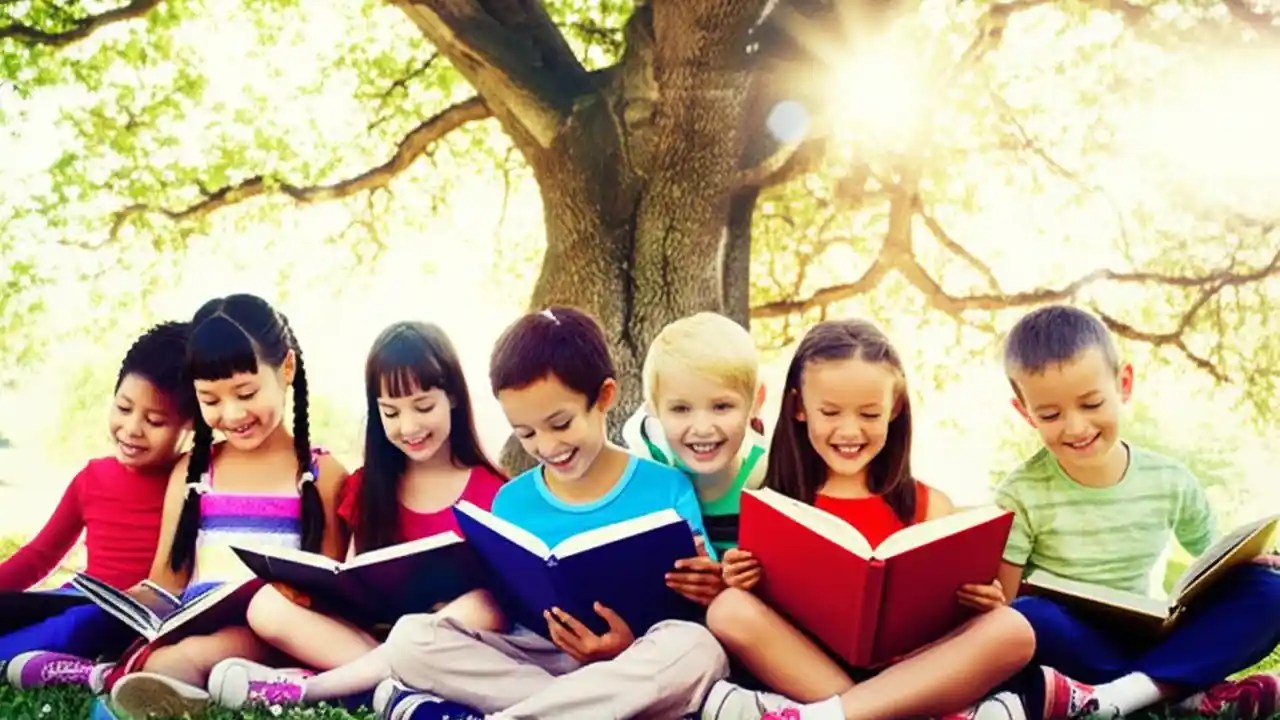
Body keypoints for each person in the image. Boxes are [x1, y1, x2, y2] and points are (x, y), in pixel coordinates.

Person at [371, 305, 730, 720]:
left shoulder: (666, 487)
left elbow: (700, 605)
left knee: (697, 649)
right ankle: (587, 709)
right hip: (544, 658)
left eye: (560, 424)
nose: (546, 446)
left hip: (638, 656)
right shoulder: (511, 501)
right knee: (410, 640)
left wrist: (706, 587)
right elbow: (505, 607)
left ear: (605, 397)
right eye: (525, 433)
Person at [702, 318, 1036, 720]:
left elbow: (957, 619)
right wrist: (742, 578)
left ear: (894, 409)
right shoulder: (772, 500)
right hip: (810, 666)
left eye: (869, 414)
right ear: (798, 408)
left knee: (1012, 629)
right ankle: (880, 711)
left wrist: (983, 604)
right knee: (728, 608)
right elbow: (758, 611)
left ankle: (833, 715)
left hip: (911, 668)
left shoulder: (930, 505)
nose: (849, 430)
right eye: (830, 412)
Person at [985, 304, 1280, 720]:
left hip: (1151, 638)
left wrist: (1251, 565)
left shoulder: (1170, 480)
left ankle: (1115, 698)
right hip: (1078, 646)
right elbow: (1006, 606)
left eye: (1091, 403)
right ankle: (1172, 692)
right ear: (1025, 413)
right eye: (1050, 414)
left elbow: (1213, 569)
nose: (1075, 427)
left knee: (1270, 591)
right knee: (1027, 618)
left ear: (1123, 384)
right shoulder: (1020, 494)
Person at [207, 320, 506, 710]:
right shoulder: (368, 488)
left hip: (451, 643)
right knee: (266, 606)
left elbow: (502, 610)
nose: (409, 426)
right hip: (368, 640)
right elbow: (351, 580)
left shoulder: (494, 492)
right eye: (391, 412)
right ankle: (391, 687)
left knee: (482, 605)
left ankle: (325, 687)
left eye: (423, 406)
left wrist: (445, 616)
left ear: (452, 397)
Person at [2, 321, 193, 682]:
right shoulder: (93, 478)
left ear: (193, 427)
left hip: (132, 617)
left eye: (155, 420)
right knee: (35, 610)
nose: (132, 428)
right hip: (78, 597)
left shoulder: (194, 483)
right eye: (123, 408)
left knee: (77, 624)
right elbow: (39, 556)